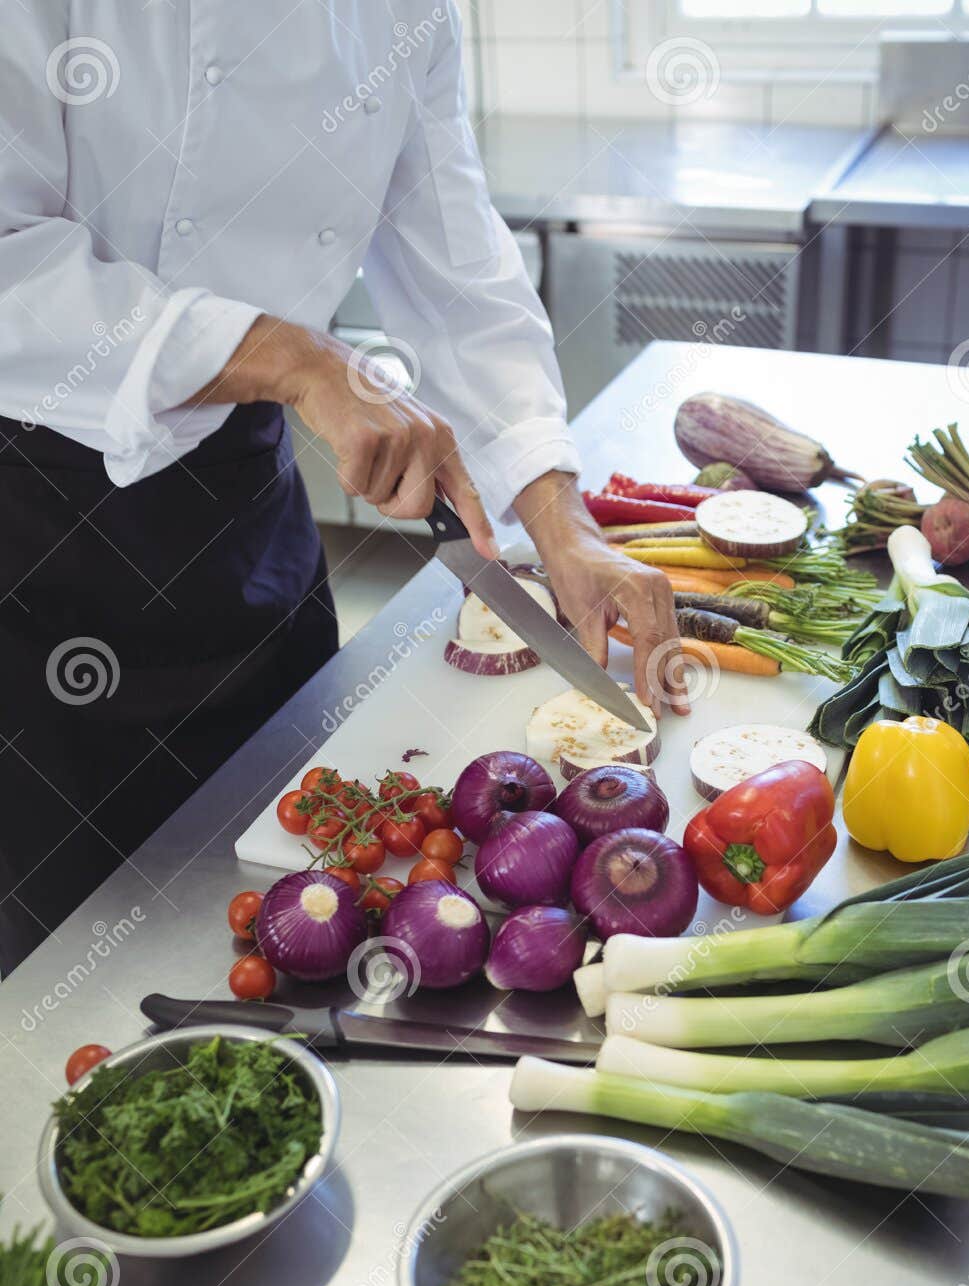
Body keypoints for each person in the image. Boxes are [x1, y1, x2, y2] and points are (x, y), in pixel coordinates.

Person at [0, 3, 684, 975]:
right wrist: (291, 355)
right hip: (34, 530)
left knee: (307, 881)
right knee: (77, 956)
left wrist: (557, 516)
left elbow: (457, 261)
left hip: (241, 513)